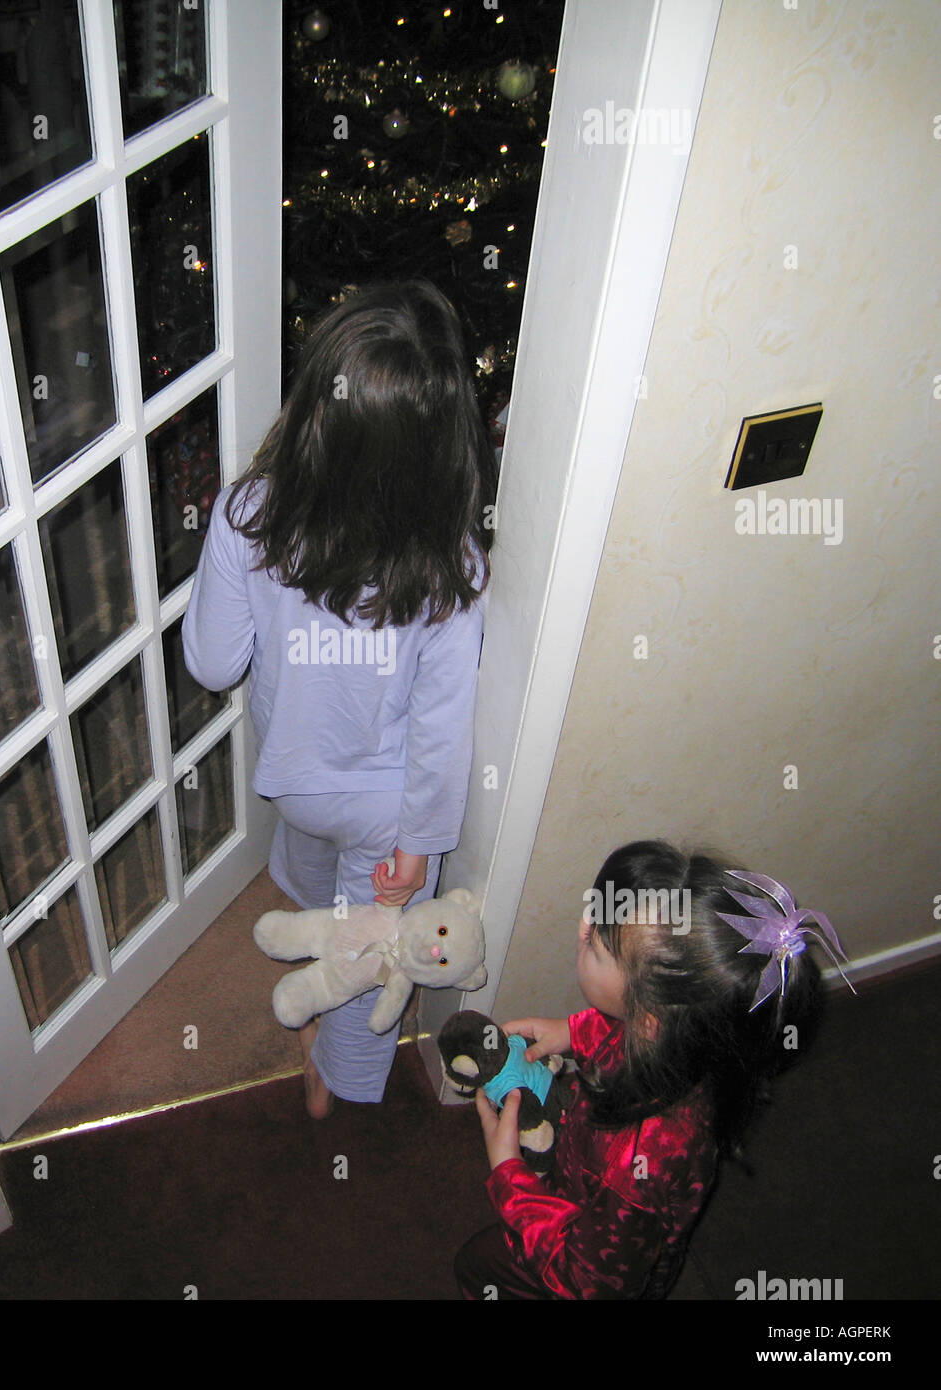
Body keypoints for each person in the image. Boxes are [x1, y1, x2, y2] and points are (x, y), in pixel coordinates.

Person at [182, 280, 495, 1117]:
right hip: (385, 807)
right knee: (372, 946)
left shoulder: (251, 511)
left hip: (293, 777)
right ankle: (344, 1075)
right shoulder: (453, 565)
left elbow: (212, 664)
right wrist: (423, 841)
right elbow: (441, 727)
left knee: (314, 869)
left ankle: (314, 945)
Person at [456, 839, 850, 1299]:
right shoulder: (694, 1041)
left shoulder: (632, 1169)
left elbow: (591, 1282)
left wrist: (510, 1175)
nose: (583, 924)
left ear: (648, 1017)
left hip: (595, 1245)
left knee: (477, 1265)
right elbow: (623, 1033)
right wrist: (574, 1030)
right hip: (596, 1191)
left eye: (597, 942)